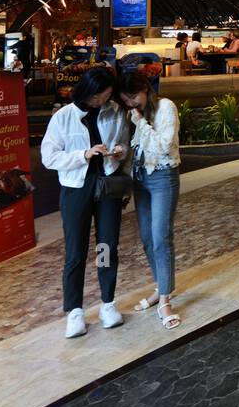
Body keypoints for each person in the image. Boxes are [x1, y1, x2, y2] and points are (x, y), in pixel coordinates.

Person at [40, 66, 131, 338]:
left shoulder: (115, 112)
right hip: (76, 188)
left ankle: (107, 303)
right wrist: (83, 154)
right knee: (75, 250)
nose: (101, 101)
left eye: (106, 96)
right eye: (97, 96)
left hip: (107, 186)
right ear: (86, 91)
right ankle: (75, 310)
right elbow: (49, 157)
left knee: (106, 245)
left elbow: (125, 145)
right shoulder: (64, 117)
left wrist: (117, 152)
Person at [115, 70, 182, 330]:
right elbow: (137, 149)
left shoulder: (165, 107)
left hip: (163, 177)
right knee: (146, 239)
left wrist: (140, 122)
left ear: (145, 88)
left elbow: (163, 146)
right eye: (126, 100)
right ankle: (161, 287)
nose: (131, 103)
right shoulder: (134, 114)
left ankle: (165, 299)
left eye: (134, 96)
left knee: (161, 236)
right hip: (140, 179)